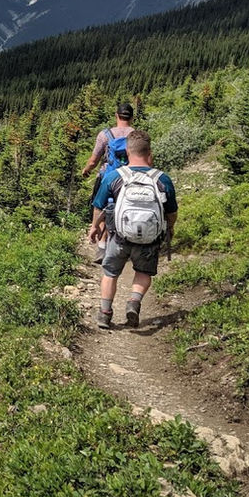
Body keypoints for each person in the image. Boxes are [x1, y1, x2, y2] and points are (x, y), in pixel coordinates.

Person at [88, 130, 177, 330]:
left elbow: (99, 206)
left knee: (110, 272)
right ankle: (134, 302)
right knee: (143, 271)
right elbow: (171, 212)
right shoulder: (162, 179)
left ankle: (104, 314)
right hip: (149, 238)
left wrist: (95, 227)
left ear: (128, 152)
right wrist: (170, 228)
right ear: (149, 152)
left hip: (119, 236)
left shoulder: (115, 176)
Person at [81, 102, 136, 260]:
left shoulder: (105, 135)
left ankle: (102, 247)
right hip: (130, 178)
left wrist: (86, 170)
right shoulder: (137, 136)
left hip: (108, 177)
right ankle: (128, 245)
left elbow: (94, 160)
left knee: (101, 207)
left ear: (116, 116)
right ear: (132, 118)